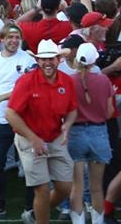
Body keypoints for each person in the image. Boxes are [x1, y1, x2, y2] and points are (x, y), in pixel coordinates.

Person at [6, 39, 78, 224]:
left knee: (65, 187)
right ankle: (40, 220)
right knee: (42, 189)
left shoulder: (67, 81)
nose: (47, 63)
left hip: (55, 137)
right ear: (37, 61)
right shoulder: (26, 81)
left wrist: (67, 125)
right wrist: (33, 138)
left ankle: (35, 215)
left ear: (58, 60)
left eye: (51, 59)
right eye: (43, 59)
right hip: (29, 139)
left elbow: (72, 109)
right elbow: (11, 113)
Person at [0, 23, 35, 219]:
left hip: (24, 120)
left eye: (17, 37)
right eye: (10, 37)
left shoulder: (28, 60)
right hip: (2, 120)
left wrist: (1, 97)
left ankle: (30, 207)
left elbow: (26, 90)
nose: (14, 41)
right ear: (2, 39)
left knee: (29, 166)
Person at [67, 43, 111, 224]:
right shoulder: (104, 80)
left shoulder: (70, 80)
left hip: (76, 133)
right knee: (96, 188)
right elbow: (109, 112)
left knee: (77, 187)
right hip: (99, 132)